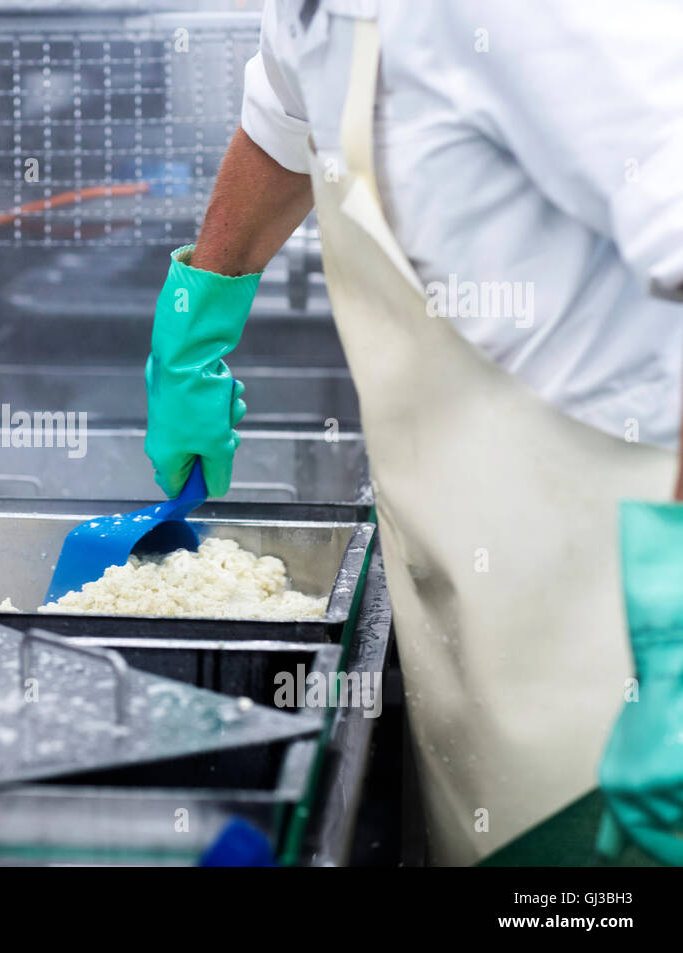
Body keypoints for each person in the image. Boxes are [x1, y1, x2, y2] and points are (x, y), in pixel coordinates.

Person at [145, 0, 683, 864]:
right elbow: (287, 124)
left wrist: (677, 650)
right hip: (471, 630)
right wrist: (196, 314)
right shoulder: (316, 10)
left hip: (614, 622)